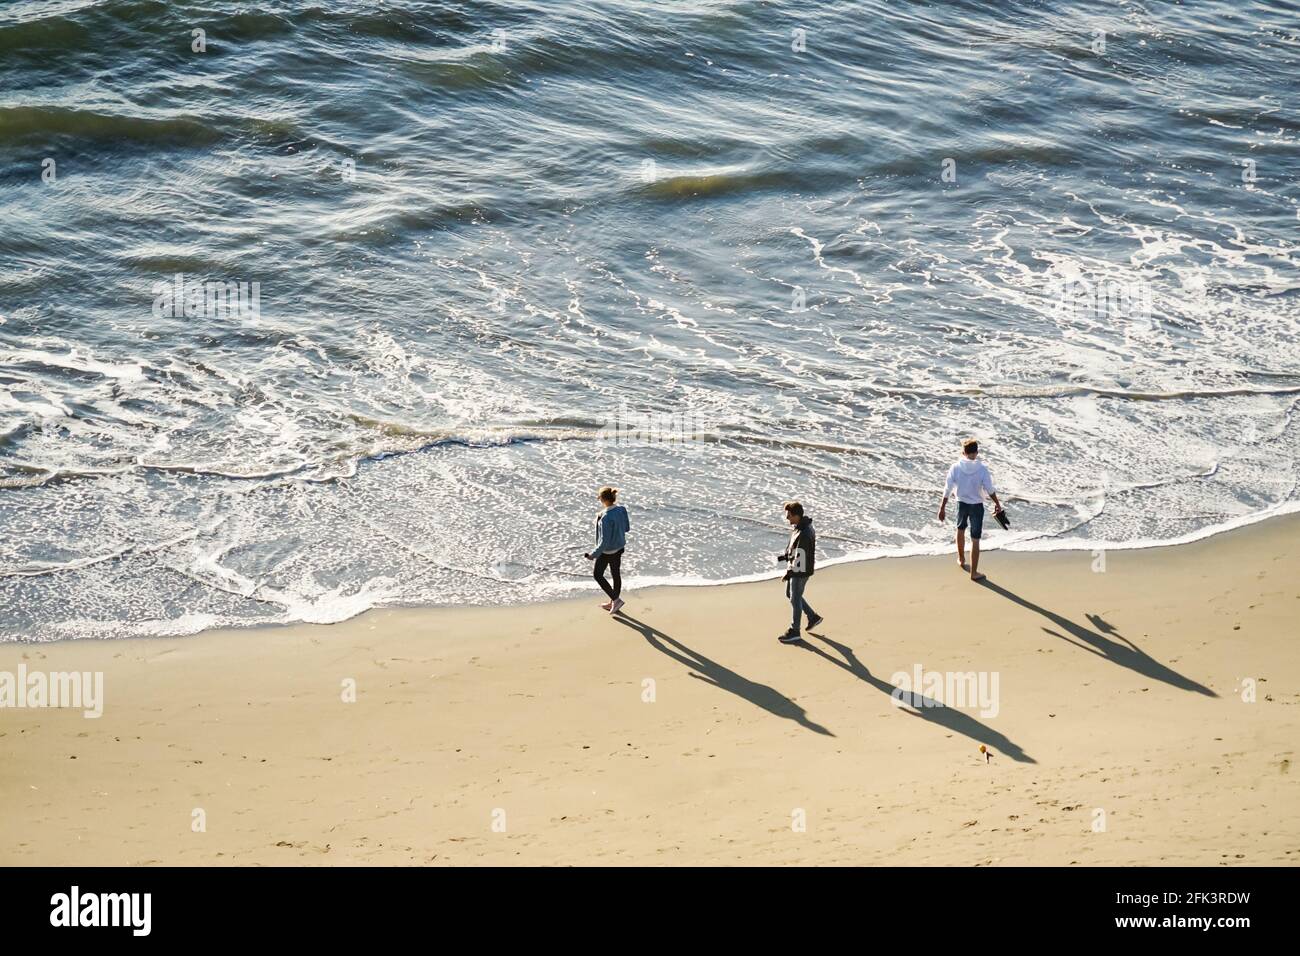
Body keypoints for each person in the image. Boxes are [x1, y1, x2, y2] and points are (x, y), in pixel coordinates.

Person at [937, 439, 1003, 582]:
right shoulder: (982, 469)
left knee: (960, 530)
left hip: (961, 503)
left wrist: (942, 507)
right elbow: (989, 489)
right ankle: (974, 573)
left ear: (963, 452)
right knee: (975, 539)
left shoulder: (955, 467)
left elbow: (947, 488)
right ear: (977, 452)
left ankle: (961, 559)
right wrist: (997, 503)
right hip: (977, 506)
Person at [776, 500, 823, 644]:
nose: (787, 518)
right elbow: (797, 551)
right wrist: (786, 557)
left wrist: (789, 573)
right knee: (792, 594)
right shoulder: (801, 527)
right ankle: (812, 617)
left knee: (795, 598)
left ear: (796, 515)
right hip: (800, 568)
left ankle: (795, 630)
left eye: (789, 515)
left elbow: (800, 557)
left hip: (800, 571)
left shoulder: (804, 531)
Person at [584, 486, 629, 614]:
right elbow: (626, 528)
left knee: (597, 575)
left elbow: (604, 542)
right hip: (619, 548)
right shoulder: (622, 510)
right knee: (616, 574)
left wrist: (593, 555)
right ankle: (613, 602)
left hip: (607, 552)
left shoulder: (605, 517)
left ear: (602, 499)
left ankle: (616, 600)